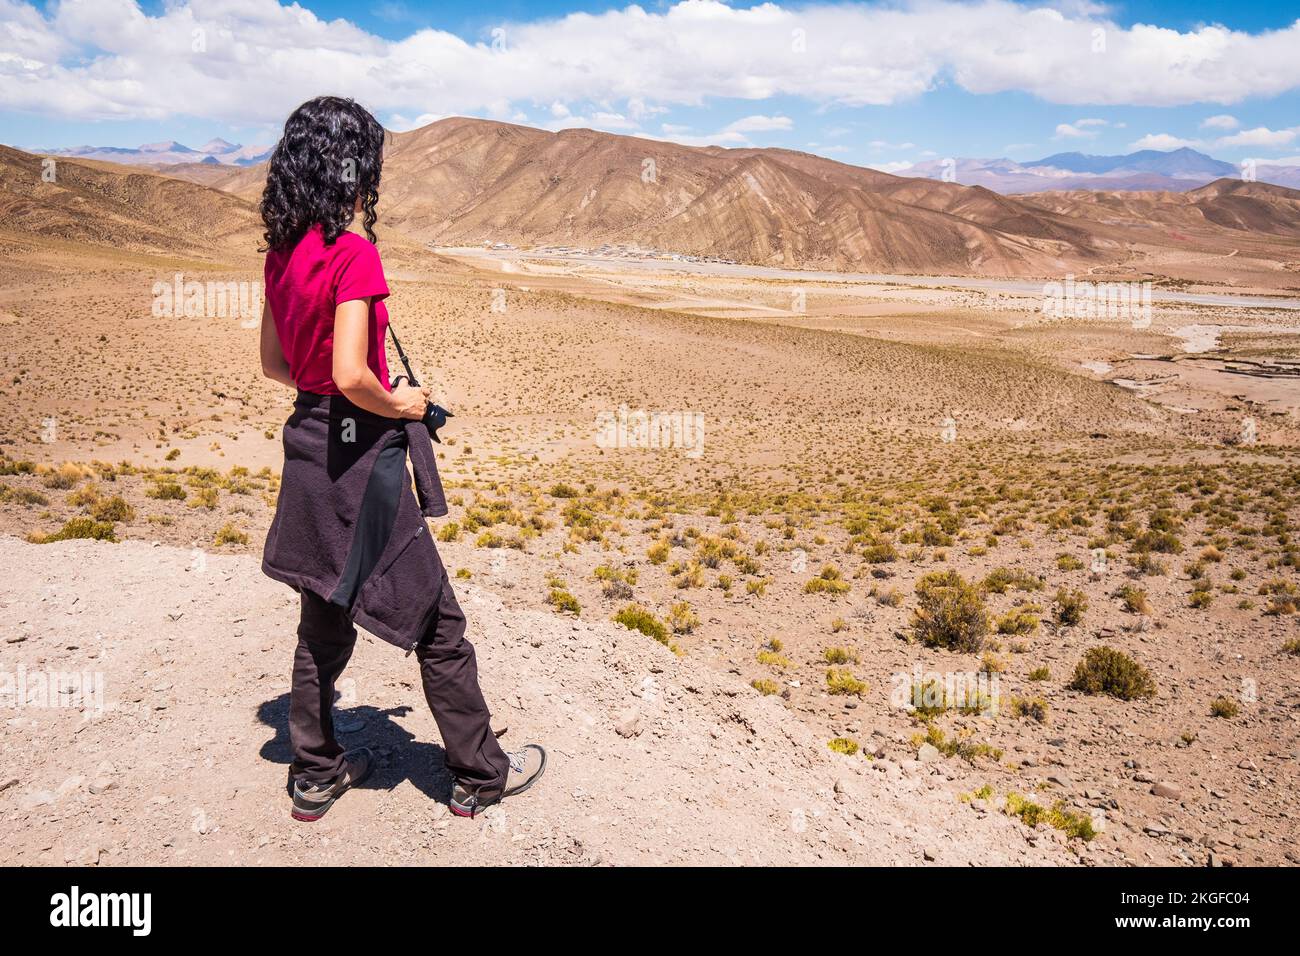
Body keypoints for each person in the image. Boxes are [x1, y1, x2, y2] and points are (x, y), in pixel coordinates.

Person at [256, 96, 544, 821]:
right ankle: (480, 772)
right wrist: (406, 404)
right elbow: (357, 375)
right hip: (361, 458)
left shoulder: (280, 253)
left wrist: (330, 384)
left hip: (308, 448)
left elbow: (274, 363)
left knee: (323, 613)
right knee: (437, 623)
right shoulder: (352, 252)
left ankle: (316, 771)